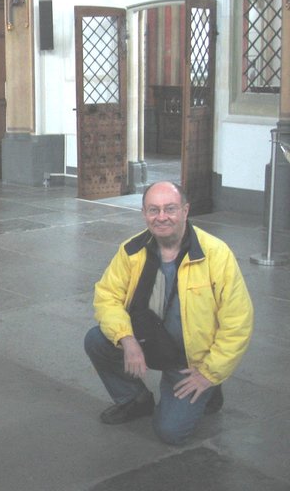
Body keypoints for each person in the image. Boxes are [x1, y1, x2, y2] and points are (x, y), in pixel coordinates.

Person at [84, 181, 253, 445]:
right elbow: (107, 297)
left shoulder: (216, 255)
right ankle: (134, 399)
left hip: (189, 360)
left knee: (171, 432)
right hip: (144, 340)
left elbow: (238, 322)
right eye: (153, 210)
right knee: (97, 340)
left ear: (185, 211)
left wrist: (209, 373)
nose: (161, 217)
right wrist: (127, 340)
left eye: (170, 209)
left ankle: (212, 387)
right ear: (144, 214)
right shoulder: (132, 250)